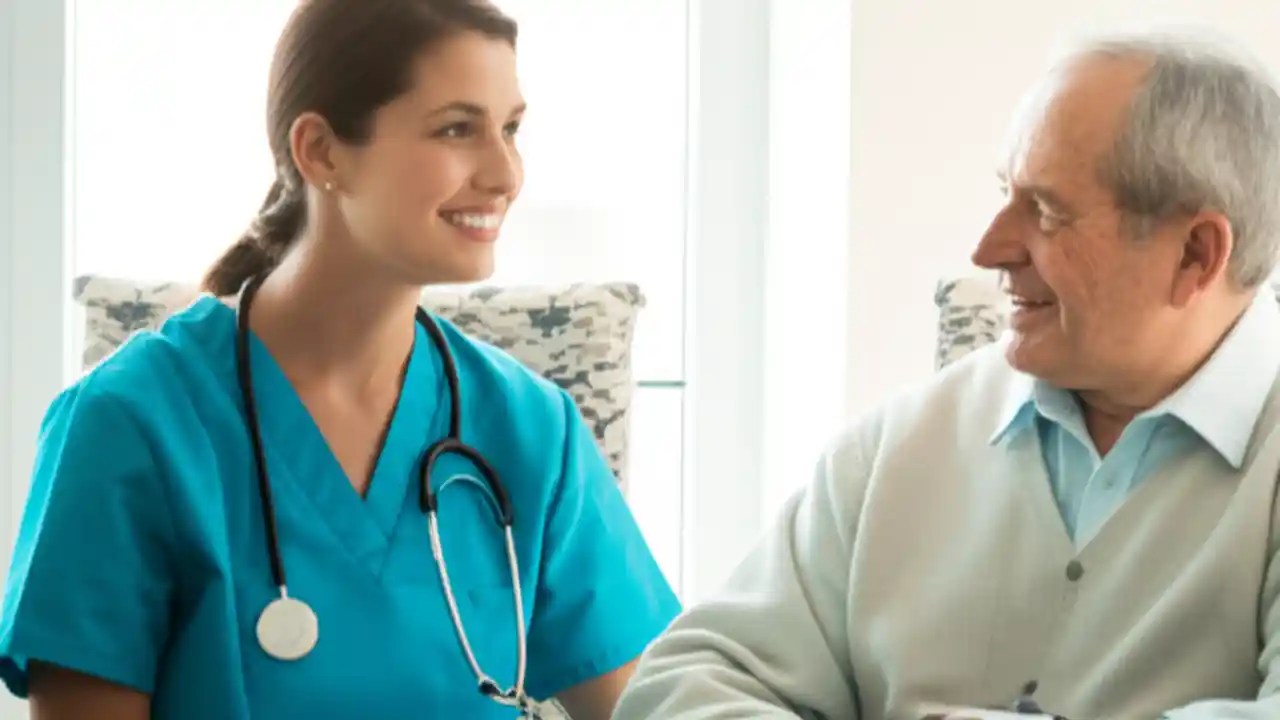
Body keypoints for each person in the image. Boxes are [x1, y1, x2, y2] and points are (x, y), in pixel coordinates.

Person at [0, 1, 680, 718]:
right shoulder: (130, 425)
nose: (505, 173)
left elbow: (656, 704)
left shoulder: (531, 431)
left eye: (510, 130)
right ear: (320, 151)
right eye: (457, 129)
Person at [614, 29, 1280, 720]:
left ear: (1196, 255)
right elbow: (682, 686)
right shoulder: (902, 444)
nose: (989, 249)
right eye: (1006, 195)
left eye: (1047, 212)